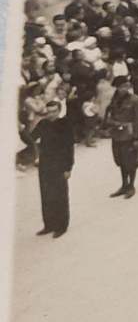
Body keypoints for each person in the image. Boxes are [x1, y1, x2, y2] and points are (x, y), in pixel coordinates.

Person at [33, 100, 73, 236]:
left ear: (59, 111)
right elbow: (32, 137)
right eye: (48, 112)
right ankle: (48, 225)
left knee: (60, 195)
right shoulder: (43, 124)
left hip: (60, 165)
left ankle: (61, 226)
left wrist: (68, 168)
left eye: (54, 111)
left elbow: (69, 148)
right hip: (45, 164)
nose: (51, 114)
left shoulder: (65, 124)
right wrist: (21, 130)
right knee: (46, 195)